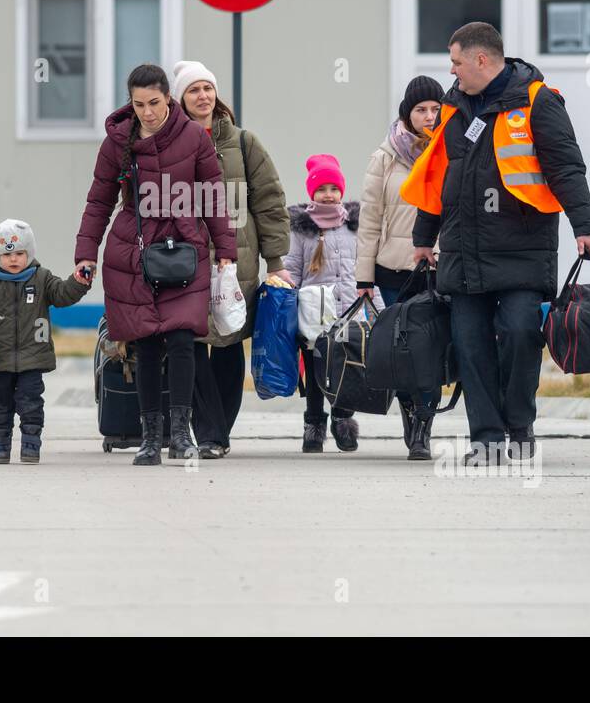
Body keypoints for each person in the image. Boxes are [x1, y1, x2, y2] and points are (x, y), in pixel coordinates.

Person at [403, 22, 590, 464]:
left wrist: (583, 225)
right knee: (470, 345)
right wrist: (423, 237)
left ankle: (519, 423)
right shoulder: (454, 108)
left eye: (455, 61)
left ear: (481, 60)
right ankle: (487, 438)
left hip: (522, 247)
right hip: (463, 249)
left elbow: (566, 167)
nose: (451, 72)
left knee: (518, 334)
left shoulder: (537, 102)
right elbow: (440, 176)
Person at [74, 63, 237, 466]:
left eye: (154, 102)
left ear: (168, 98)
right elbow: (99, 200)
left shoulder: (194, 138)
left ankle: (181, 435)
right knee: (145, 343)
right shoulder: (117, 142)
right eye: (138, 103)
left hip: (185, 245)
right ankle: (150, 438)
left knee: (182, 340)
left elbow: (213, 196)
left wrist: (225, 248)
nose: (147, 112)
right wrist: (86, 253)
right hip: (134, 246)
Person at [175, 60, 289, 459]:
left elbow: (270, 201)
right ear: (180, 99)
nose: (203, 96)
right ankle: (209, 430)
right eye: (193, 90)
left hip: (234, 261)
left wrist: (275, 261)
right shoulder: (171, 143)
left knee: (226, 343)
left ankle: (218, 430)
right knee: (186, 342)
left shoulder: (243, 143)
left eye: (208, 88)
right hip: (185, 262)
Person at [356, 75, 443, 460]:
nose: (428, 116)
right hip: (393, 269)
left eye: (435, 110)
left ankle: (425, 421)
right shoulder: (385, 157)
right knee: (404, 350)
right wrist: (364, 276)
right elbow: (370, 218)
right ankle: (410, 410)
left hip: (440, 268)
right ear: (407, 114)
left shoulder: (452, 150)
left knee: (434, 349)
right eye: (421, 110)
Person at [0, 218, 90, 463]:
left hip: (32, 357)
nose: (14, 260)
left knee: (31, 402)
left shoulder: (41, 278)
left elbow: (63, 294)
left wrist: (79, 281)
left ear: (29, 253)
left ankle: (31, 444)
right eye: (7, 254)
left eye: (20, 253)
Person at [283, 154, 363, 453]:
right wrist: (288, 301)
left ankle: (343, 421)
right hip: (313, 314)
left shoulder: (354, 226)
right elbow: (292, 267)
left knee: (346, 370)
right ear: (311, 193)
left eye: (333, 188)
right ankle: (313, 425)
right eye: (321, 189)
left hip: (348, 312)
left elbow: (364, 269)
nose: (328, 194)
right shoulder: (302, 229)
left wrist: (375, 306)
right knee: (316, 374)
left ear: (341, 191)